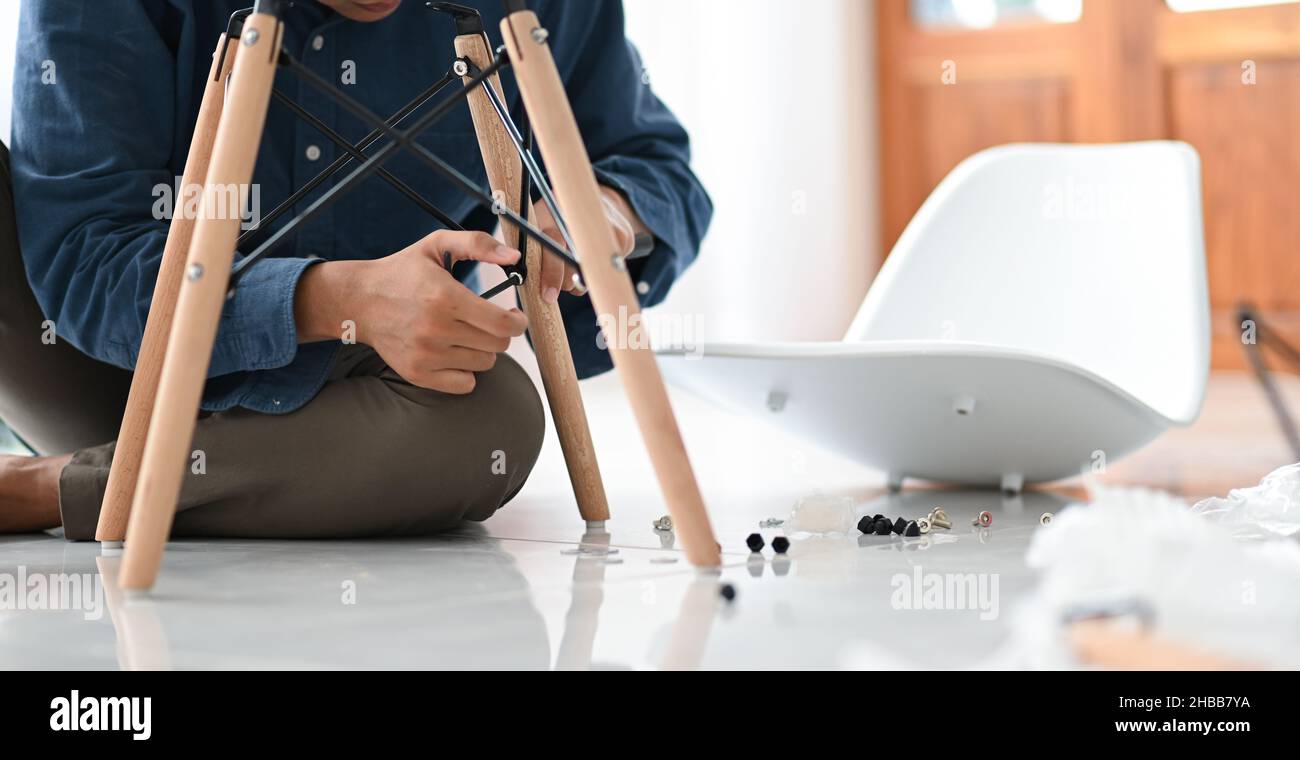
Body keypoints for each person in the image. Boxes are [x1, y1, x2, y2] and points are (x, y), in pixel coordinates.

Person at [0, 0, 711, 537]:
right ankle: (177, 476)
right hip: (101, 362)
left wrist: (602, 214)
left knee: (497, 421)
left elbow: (657, 168)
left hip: (356, 395)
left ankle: (47, 486)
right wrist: (335, 296)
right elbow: (86, 261)